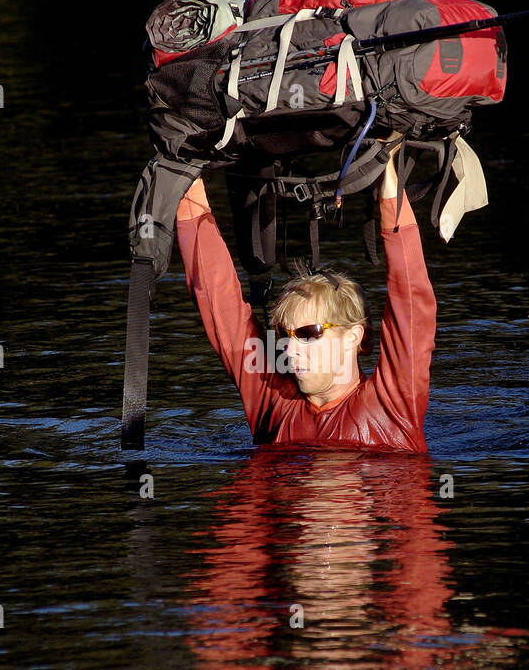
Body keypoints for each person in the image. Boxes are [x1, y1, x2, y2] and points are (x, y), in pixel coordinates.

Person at [174, 142, 437, 453]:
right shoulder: (272, 401)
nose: (289, 349)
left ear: (353, 336)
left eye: (308, 334)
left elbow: (410, 294)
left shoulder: (393, 403)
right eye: (284, 336)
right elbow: (217, 300)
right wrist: (183, 172)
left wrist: (387, 165)